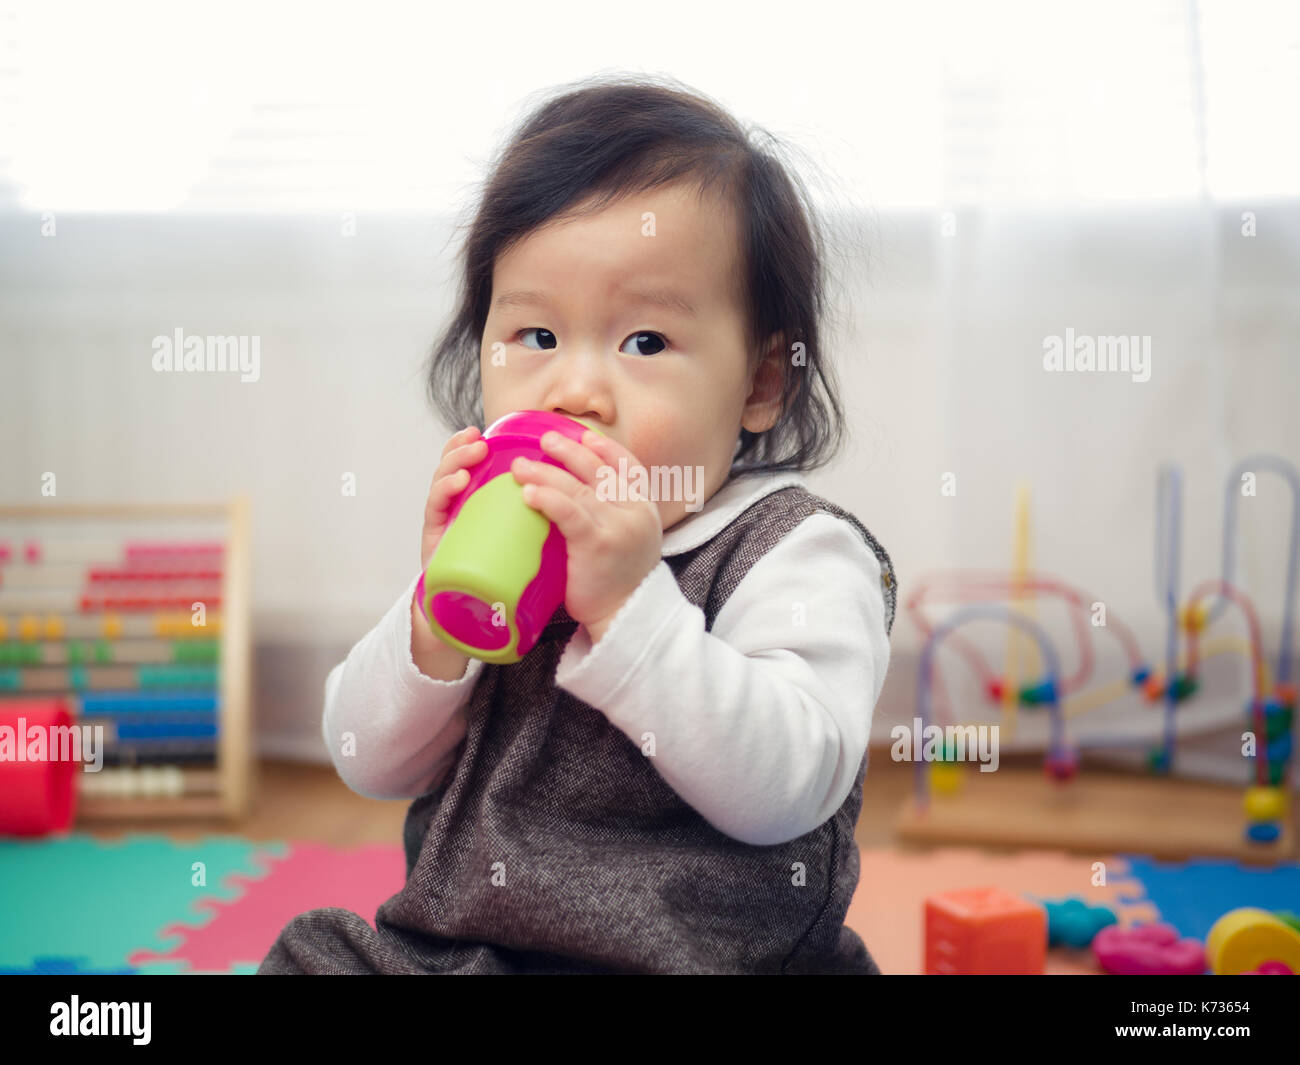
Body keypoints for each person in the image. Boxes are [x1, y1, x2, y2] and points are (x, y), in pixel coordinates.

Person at [259, 73, 896, 975]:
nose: (576, 392)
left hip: (711, 961)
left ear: (759, 383)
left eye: (644, 343)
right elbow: (367, 759)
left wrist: (636, 607)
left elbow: (788, 787)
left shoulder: (794, 552)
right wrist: (433, 628)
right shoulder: (497, 545)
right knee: (313, 954)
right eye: (537, 338)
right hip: (473, 953)